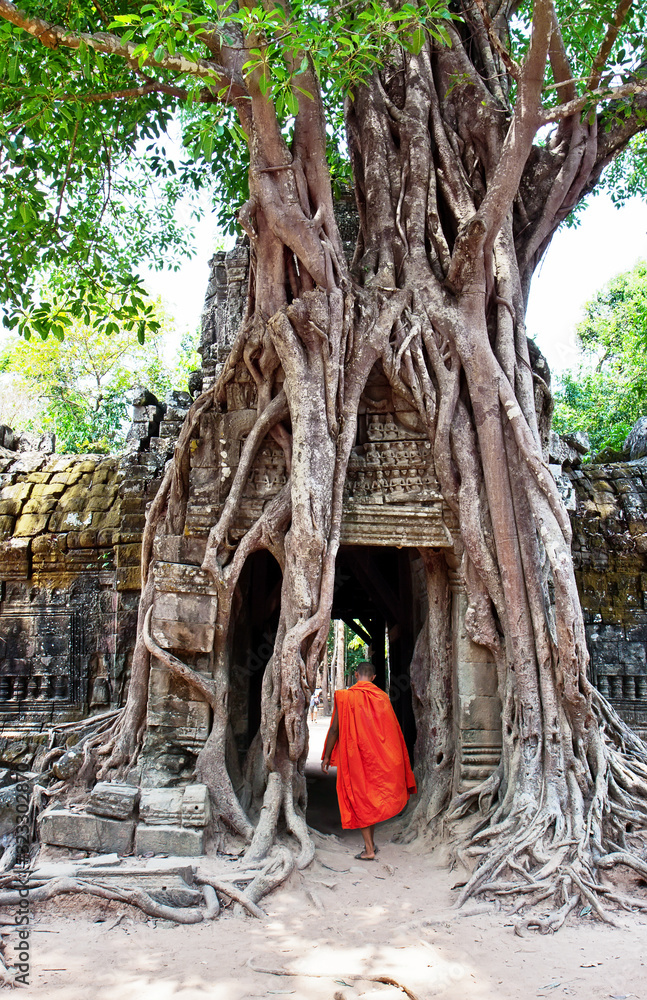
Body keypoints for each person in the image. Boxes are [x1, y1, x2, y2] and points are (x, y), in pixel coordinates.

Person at [321, 661, 416, 860]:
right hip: (376, 758)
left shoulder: (345, 697)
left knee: (361, 798)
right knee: (370, 798)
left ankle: (369, 850)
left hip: (355, 756)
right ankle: (370, 845)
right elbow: (390, 731)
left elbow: (335, 730)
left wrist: (327, 756)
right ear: (373, 678)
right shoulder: (381, 697)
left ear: (356, 675)